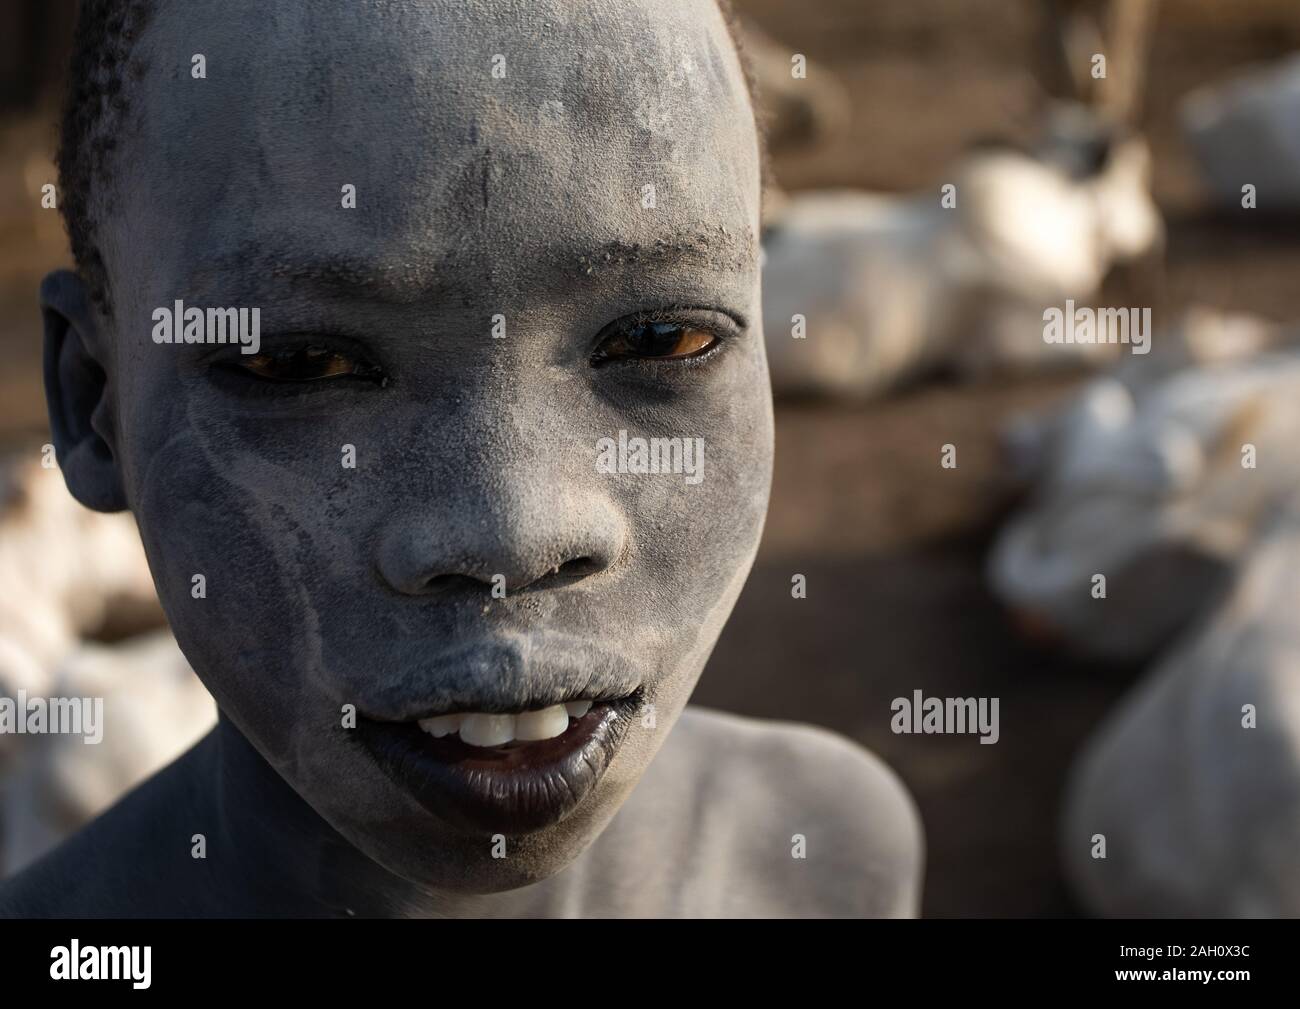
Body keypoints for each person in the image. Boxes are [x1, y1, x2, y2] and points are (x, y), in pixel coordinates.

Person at [0, 0, 922, 917]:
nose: (511, 533)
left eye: (660, 337)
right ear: (92, 402)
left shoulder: (824, 854)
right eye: (300, 363)